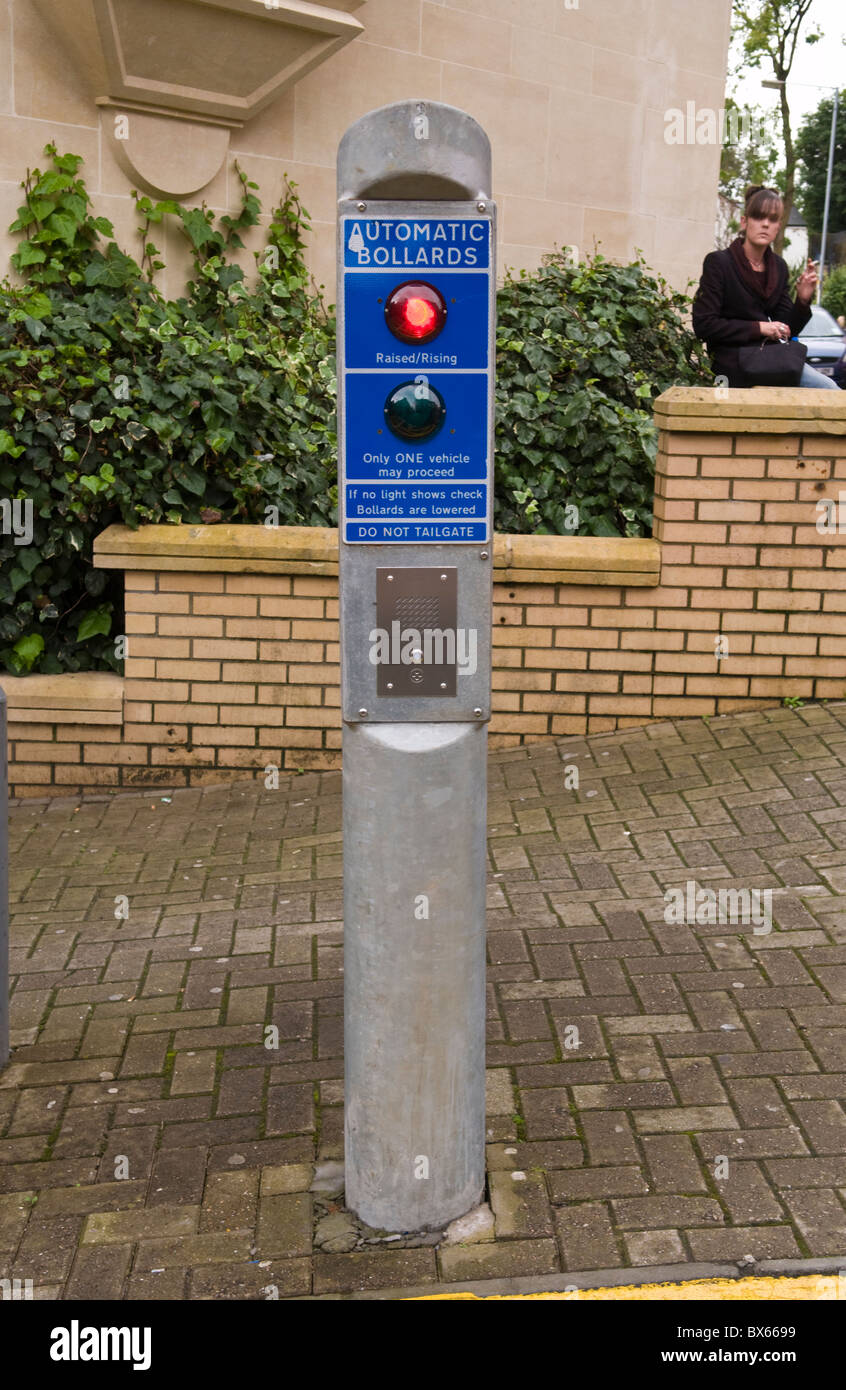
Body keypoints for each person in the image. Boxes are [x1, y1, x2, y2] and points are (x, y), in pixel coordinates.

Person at [692, 185, 839, 389]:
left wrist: (803, 300)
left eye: (772, 220)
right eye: (758, 217)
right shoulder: (719, 263)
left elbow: (788, 328)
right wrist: (759, 328)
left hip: (769, 360)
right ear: (745, 222)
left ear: (778, 227)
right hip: (729, 365)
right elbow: (704, 325)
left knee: (829, 389)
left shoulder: (778, 267)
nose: (765, 225)